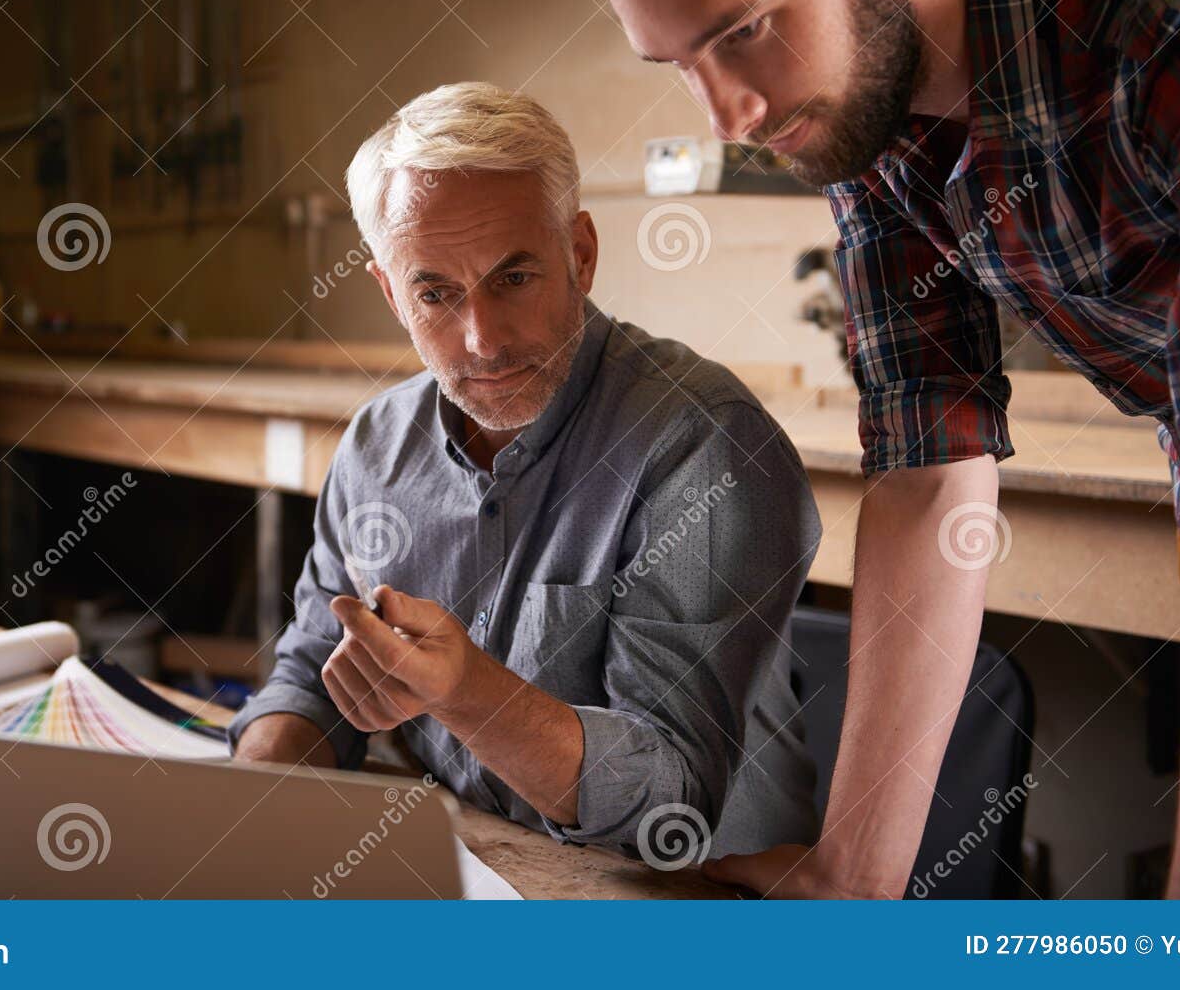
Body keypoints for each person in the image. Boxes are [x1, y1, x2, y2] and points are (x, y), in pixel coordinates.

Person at [571, 0, 1180, 897]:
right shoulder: (868, 117)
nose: (731, 114)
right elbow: (929, 468)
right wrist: (850, 880)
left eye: (743, 31)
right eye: (681, 65)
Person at [229, 81, 822, 860]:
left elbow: (672, 809)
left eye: (513, 279)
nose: (482, 340)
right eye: (435, 293)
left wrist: (464, 692)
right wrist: (249, 803)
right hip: (490, 865)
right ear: (391, 294)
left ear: (581, 253)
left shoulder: (704, 443)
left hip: (698, 899)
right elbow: (314, 676)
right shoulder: (376, 446)